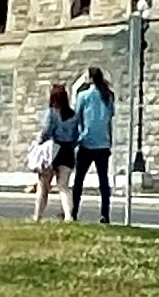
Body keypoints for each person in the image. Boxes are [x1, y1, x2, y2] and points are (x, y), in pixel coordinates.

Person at [32, 83, 87, 219]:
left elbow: (46, 131)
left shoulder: (52, 113)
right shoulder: (73, 115)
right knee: (63, 186)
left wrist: (38, 143)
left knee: (44, 185)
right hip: (67, 151)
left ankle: (37, 215)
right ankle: (69, 215)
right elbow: (76, 135)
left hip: (52, 151)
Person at [73, 66, 117, 222]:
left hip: (86, 142)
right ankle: (105, 213)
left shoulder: (83, 96)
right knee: (103, 181)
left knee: (78, 181)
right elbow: (109, 120)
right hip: (103, 144)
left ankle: (73, 212)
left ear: (90, 78)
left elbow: (77, 117)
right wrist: (109, 140)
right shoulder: (108, 96)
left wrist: (77, 136)